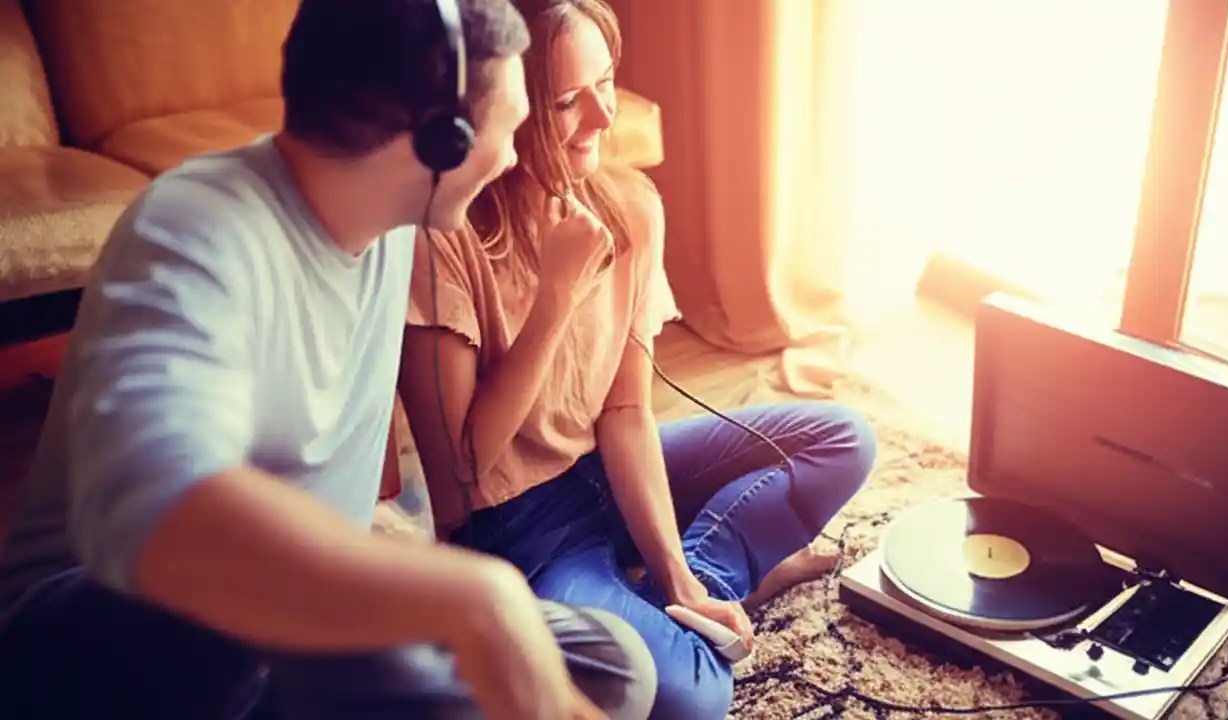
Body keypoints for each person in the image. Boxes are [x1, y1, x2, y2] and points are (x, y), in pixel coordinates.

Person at [0, 1, 658, 719]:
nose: (511, 155)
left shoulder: (397, 227)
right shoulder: (194, 232)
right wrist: (473, 598)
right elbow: (153, 511)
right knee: (248, 621)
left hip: (289, 633)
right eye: (509, 123)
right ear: (438, 141)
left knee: (610, 665)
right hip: (111, 636)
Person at [395, 0, 879, 717]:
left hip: (603, 469)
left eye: (606, 82)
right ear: (513, 104)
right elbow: (459, 477)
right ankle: (689, 591)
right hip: (521, 523)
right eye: (567, 100)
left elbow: (624, 413)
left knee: (843, 438)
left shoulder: (631, 208)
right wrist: (555, 300)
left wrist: (680, 578)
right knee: (693, 697)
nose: (601, 117)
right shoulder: (445, 239)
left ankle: (693, 585)